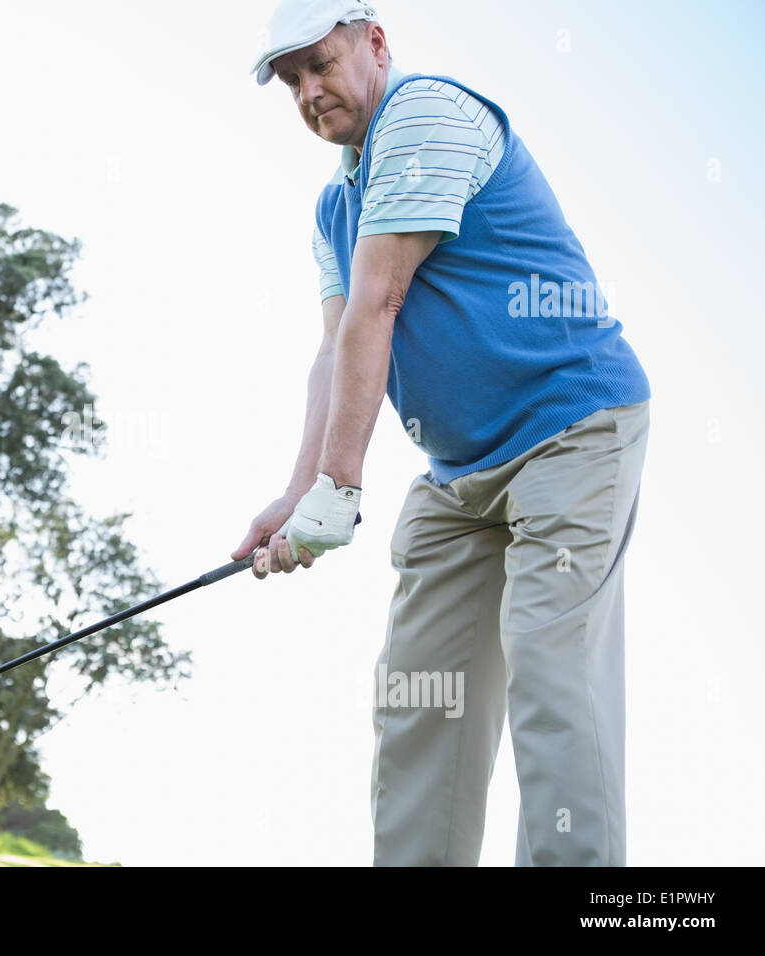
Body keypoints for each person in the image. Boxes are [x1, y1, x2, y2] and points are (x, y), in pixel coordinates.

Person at [232, 0, 651, 866]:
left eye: (322, 63)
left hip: (571, 430)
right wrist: (298, 489)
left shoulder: (425, 113)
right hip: (459, 474)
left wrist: (338, 492)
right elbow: (334, 352)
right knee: (424, 696)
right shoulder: (332, 208)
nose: (310, 91)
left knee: (548, 665)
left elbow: (380, 303)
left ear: (375, 43)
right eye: (292, 80)